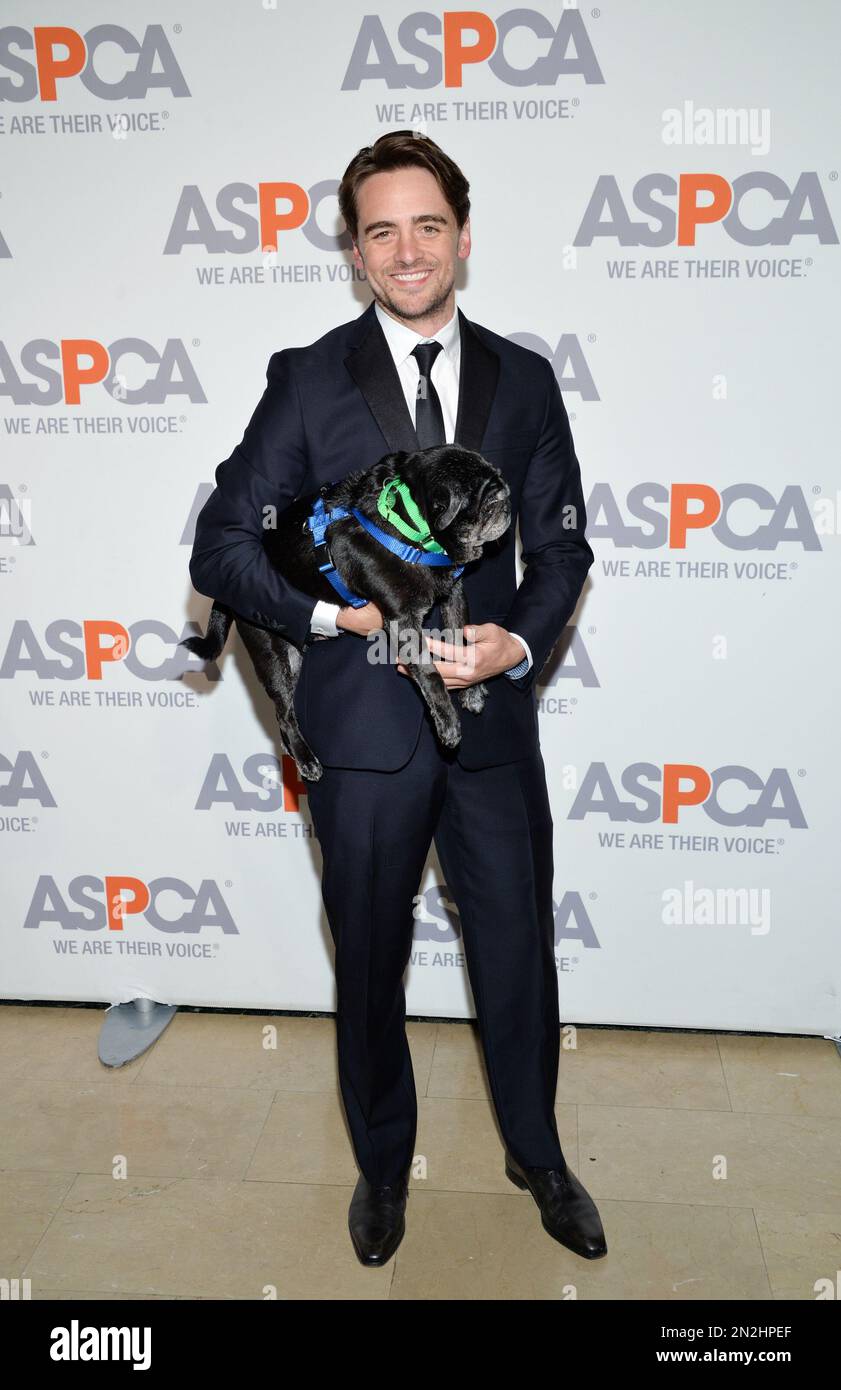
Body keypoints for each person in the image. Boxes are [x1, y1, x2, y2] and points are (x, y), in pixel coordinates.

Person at [189, 130, 606, 1266]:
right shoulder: (308, 377)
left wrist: (515, 643)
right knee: (369, 962)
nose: (407, 249)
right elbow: (223, 547)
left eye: (428, 225)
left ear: (462, 237)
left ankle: (537, 1155)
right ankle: (382, 1168)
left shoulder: (524, 379)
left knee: (517, 953)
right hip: (363, 732)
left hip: (492, 727)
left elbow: (562, 549)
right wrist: (334, 620)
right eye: (382, 231)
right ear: (355, 251)